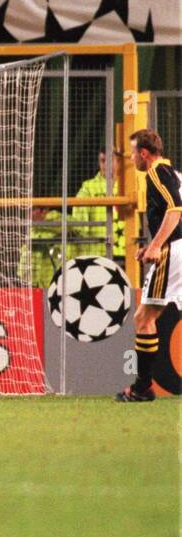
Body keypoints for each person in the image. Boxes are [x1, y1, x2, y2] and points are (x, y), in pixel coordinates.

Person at [116, 130, 181, 403]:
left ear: (144, 153)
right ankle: (142, 386)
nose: (132, 158)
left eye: (133, 153)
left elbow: (175, 209)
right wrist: (151, 244)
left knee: (144, 319)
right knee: (145, 317)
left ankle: (142, 388)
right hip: (176, 246)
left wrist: (156, 247)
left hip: (174, 251)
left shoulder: (155, 173)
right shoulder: (172, 172)